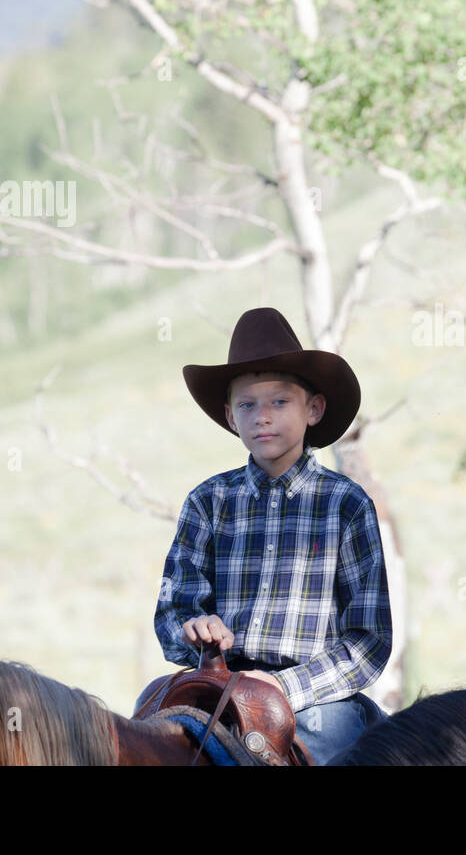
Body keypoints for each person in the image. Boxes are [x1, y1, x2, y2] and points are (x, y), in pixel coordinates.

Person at [154, 307, 393, 764]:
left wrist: (285, 687)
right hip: (218, 682)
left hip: (315, 697)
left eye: (280, 402)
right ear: (229, 416)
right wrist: (196, 631)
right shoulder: (208, 502)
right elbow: (172, 611)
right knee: (145, 734)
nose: (262, 416)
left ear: (314, 409)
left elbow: (370, 641)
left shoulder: (346, 505)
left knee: (339, 743)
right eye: (247, 404)